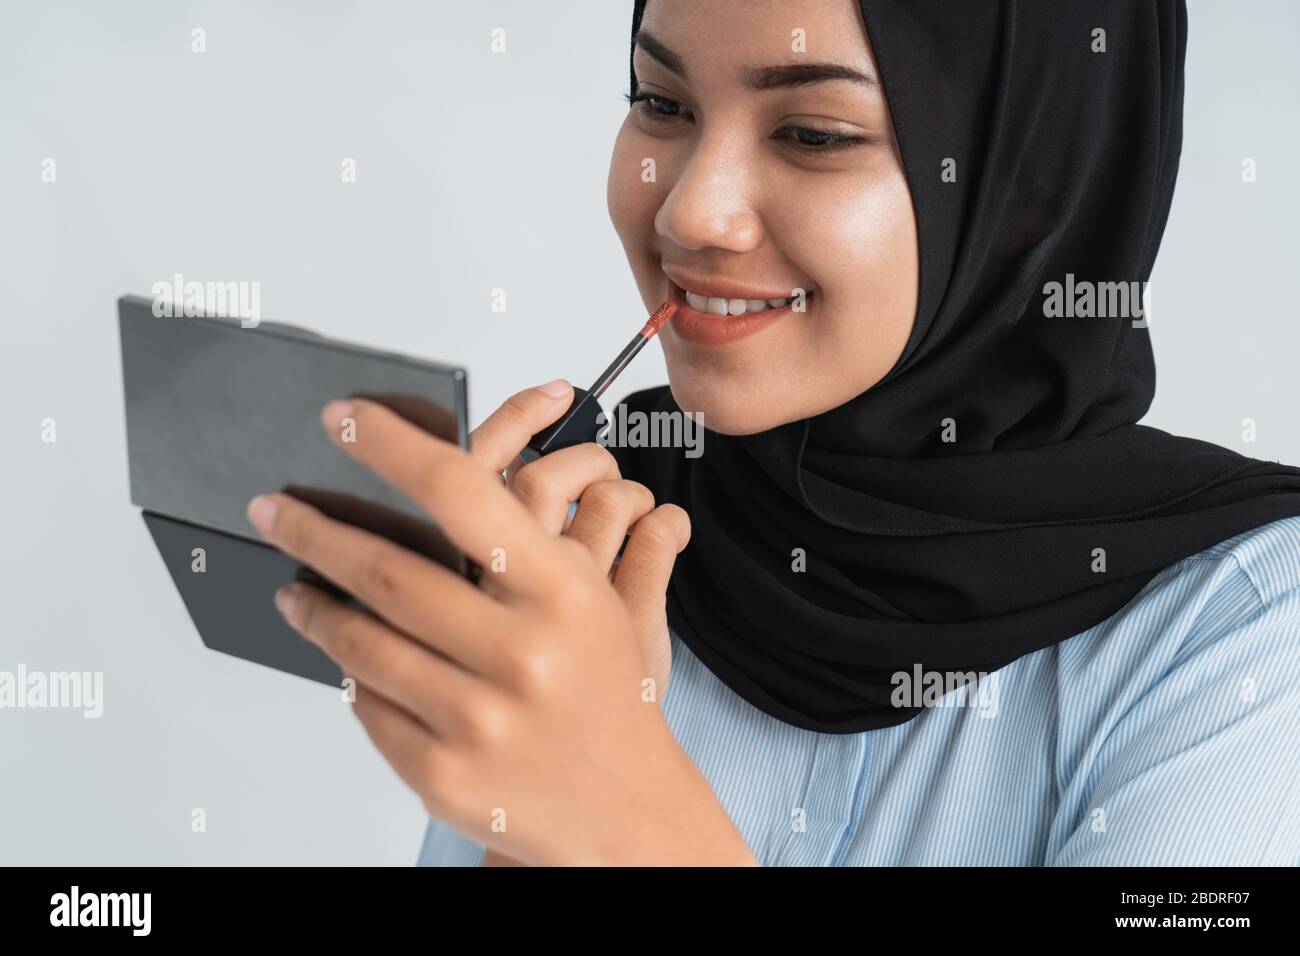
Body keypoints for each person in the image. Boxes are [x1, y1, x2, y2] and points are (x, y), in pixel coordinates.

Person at [246, 0, 1300, 865]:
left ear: (1033, 192)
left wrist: (617, 813)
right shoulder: (588, 545)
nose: (690, 214)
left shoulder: (1249, 630)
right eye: (661, 103)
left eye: (813, 134)